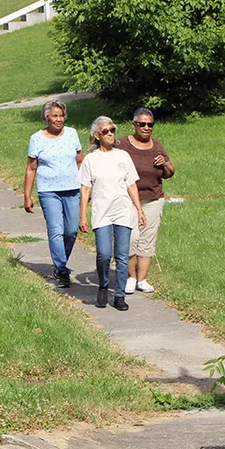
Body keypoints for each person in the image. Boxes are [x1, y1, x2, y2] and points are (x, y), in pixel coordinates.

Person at [78, 116, 146, 311]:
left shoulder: (123, 156)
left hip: (123, 211)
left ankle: (119, 295)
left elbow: (131, 184)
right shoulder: (91, 159)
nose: (110, 134)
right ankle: (103, 285)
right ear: (97, 136)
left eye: (112, 130)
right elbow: (85, 190)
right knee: (104, 253)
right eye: (105, 131)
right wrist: (82, 215)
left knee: (122, 255)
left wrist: (139, 209)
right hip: (102, 213)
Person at [24, 100, 83, 288]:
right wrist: (27, 194)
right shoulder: (37, 138)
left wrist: (86, 185)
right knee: (56, 231)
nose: (58, 119)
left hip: (72, 189)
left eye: (61, 115)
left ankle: (61, 258)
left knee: (71, 230)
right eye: (54, 116)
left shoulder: (72, 134)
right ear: (47, 117)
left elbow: (80, 162)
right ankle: (61, 268)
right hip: (48, 191)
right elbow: (31, 168)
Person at [117, 107, 175, 294]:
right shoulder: (123, 144)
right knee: (131, 237)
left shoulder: (156, 146)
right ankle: (129, 277)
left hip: (153, 198)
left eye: (150, 125)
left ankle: (142, 279)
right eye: (142, 124)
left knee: (147, 240)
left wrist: (164, 163)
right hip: (128, 199)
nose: (146, 128)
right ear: (134, 125)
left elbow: (170, 172)